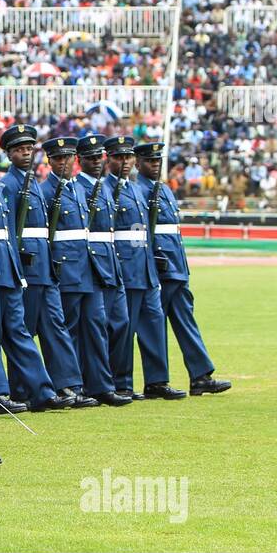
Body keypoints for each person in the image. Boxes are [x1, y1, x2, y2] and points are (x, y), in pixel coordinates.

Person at [0, 125, 68, 413]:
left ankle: (41, 390)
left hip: (7, 268)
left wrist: (17, 270)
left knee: (18, 331)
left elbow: (10, 232)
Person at [1, 125, 95, 408]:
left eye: (29, 149)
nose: (26, 154)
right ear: (9, 154)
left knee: (56, 325)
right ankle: (22, 389)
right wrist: (17, 269)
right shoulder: (10, 184)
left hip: (44, 266)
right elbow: (11, 232)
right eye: (19, 150)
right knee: (24, 330)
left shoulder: (32, 181)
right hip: (27, 267)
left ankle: (67, 385)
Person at [134, 141, 231, 396]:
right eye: (149, 161)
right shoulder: (138, 190)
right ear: (138, 163)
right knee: (152, 326)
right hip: (159, 266)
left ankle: (200, 375)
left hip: (176, 266)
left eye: (158, 161)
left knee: (186, 320)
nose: (155, 165)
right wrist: (154, 260)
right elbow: (141, 233)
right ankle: (156, 381)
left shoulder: (163, 189)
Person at [104, 135, 185, 400]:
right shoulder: (106, 189)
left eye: (128, 157)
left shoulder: (137, 189)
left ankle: (157, 381)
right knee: (124, 328)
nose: (125, 162)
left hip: (146, 267)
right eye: (119, 157)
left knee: (153, 323)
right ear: (110, 160)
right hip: (126, 268)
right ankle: (123, 382)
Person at [40, 137, 101, 409]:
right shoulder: (45, 190)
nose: (64, 163)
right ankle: (66, 385)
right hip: (63, 268)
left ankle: (80, 383)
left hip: (84, 266)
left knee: (90, 326)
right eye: (58, 159)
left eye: (68, 158)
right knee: (67, 328)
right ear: (50, 162)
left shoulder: (76, 189)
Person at [73, 134, 132, 406]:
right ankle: (99, 384)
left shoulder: (105, 187)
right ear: (80, 160)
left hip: (111, 261)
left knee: (120, 323)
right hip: (92, 262)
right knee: (95, 327)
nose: (96, 162)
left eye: (99, 157)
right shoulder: (79, 188)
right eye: (91, 158)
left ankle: (118, 382)